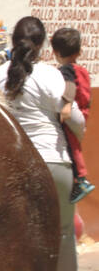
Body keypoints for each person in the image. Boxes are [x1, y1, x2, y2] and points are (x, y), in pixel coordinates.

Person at [0, 19, 86, 271]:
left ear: (12, 41)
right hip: (54, 161)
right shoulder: (51, 75)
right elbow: (75, 120)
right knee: (63, 232)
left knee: (18, 232)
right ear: (44, 44)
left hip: (14, 163)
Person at [50, 26, 94, 203]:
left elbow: (69, 86)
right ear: (80, 51)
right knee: (75, 145)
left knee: (71, 147)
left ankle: (81, 180)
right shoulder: (81, 69)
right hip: (83, 111)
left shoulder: (66, 70)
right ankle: (80, 179)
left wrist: (67, 104)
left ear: (55, 52)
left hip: (73, 112)